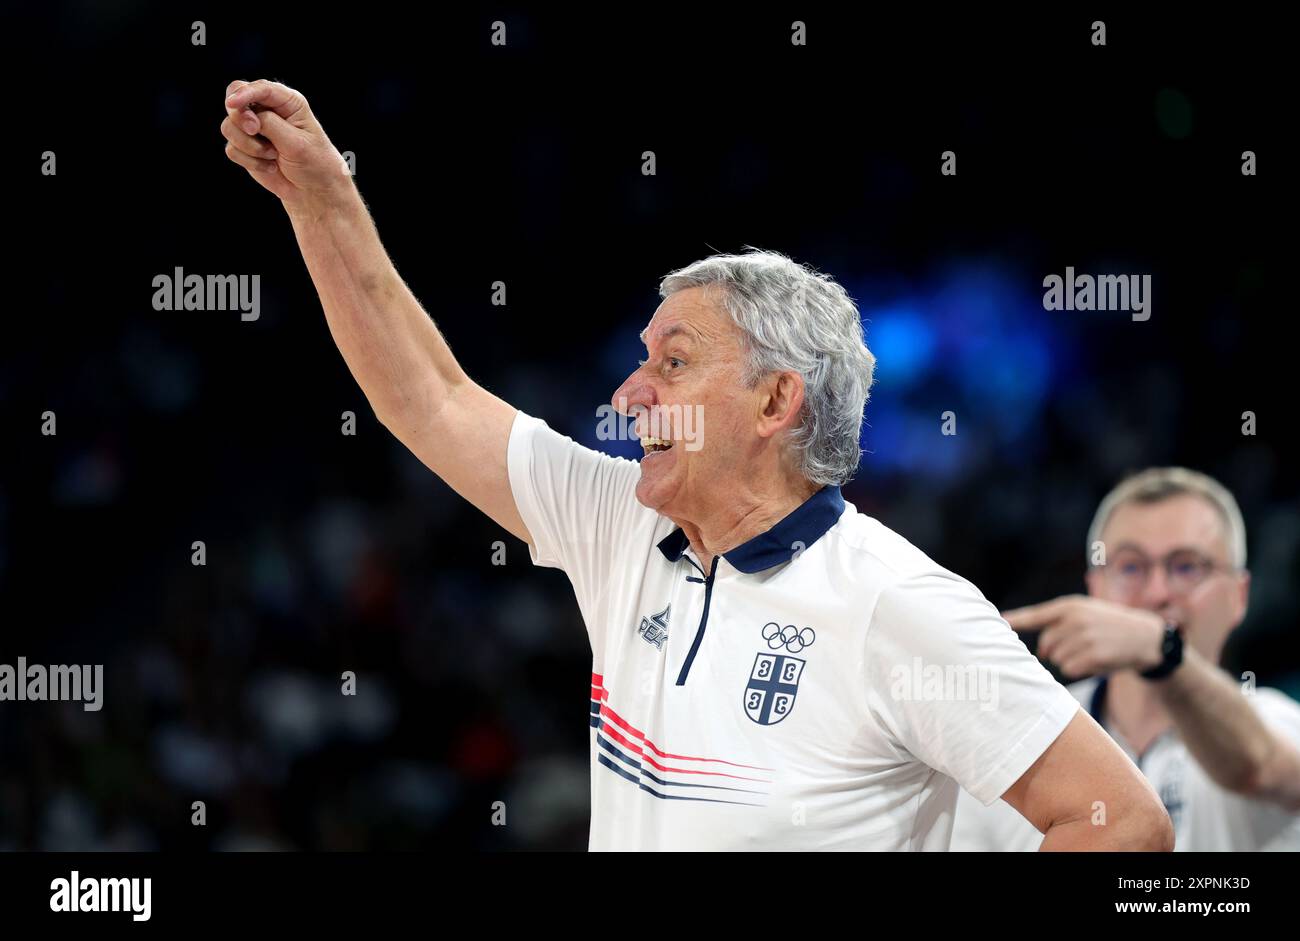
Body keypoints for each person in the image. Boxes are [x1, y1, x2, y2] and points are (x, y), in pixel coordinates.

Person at [220, 78, 1173, 851]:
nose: (631, 393)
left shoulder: (897, 602)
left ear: (774, 401)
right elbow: (426, 398)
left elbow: (1123, 822)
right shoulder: (624, 525)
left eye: (672, 361)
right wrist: (324, 202)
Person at [951, 467, 1300, 850]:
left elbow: (1258, 766)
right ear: (1094, 588)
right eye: (1130, 567)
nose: (1156, 592)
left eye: (1187, 567)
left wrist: (1160, 648)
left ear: (1239, 595)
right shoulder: (1024, 734)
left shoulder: (1280, 724)